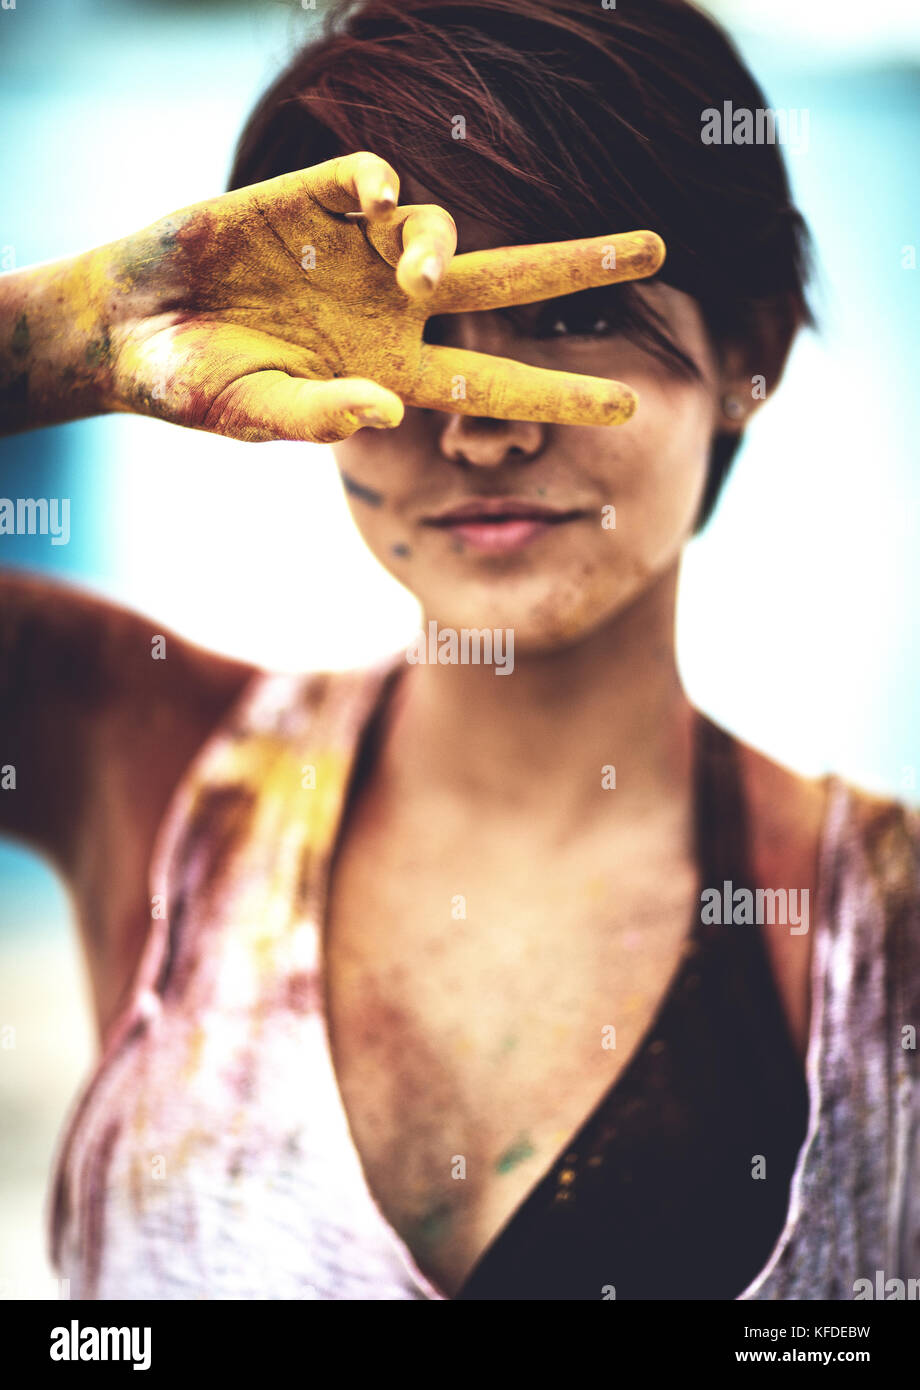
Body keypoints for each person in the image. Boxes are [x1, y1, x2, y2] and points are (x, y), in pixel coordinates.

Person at [1, 0, 917, 1301]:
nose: (481, 427)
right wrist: (69, 334)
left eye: (566, 309)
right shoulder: (131, 749)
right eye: (403, 331)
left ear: (748, 355)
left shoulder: (878, 932)